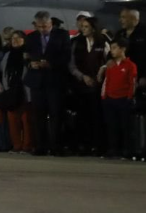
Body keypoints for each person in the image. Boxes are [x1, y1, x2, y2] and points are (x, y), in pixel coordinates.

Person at [24, 11, 72, 156]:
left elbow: (66, 56)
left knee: (56, 114)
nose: (42, 30)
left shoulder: (62, 35)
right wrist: (30, 64)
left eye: (45, 26)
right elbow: (25, 56)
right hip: (37, 81)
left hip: (55, 80)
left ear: (50, 23)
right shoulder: (31, 37)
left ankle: (56, 146)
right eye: (39, 27)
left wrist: (50, 64)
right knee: (38, 115)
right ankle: (40, 146)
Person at [69, 16, 109, 155]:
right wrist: (82, 76)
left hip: (98, 84)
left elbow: (109, 60)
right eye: (82, 26)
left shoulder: (103, 42)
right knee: (82, 116)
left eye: (86, 26)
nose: (83, 29)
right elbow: (72, 65)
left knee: (97, 116)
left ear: (93, 27)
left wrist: (101, 71)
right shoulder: (76, 42)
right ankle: (83, 145)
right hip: (81, 85)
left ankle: (97, 145)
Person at [99, 38, 138, 159]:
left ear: (123, 49)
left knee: (125, 126)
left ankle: (126, 149)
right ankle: (112, 149)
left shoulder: (130, 65)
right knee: (111, 125)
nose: (112, 51)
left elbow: (132, 82)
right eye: (111, 48)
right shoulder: (110, 66)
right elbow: (106, 81)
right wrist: (104, 96)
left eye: (115, 48)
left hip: (123, 99)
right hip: (110, 99)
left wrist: (129, 97)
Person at [1, 30, 34, 154]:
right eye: (13, 38)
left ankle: (27, 146)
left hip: (26, 91)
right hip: (11, 91)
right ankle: (16, 145)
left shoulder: (28, 54)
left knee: (27, 120)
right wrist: (6, 88)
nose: (15, 40)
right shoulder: (7, 55)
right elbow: (4, 73)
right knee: (13, 120)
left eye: (18, 38)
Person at [116, 8, 146, 85]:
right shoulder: (120, 34)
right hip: (122, 75)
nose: (120, 20)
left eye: (123, 17)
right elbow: (113, 51)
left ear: (134, 18)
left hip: (139, 76)